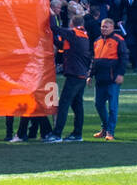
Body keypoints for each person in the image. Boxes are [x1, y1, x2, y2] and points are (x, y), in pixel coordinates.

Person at [46, 8, 92, 142]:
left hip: (74, 75)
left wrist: (52, 14)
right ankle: (77, 134)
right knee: (77, 105)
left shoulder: (73, 33)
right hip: (81, 75)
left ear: (72, 23)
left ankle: (57, 133)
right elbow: (62, 44)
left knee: (64, 104)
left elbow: (54, 27)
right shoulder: (84, 35)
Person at [91, 16, 128, 141]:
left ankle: (110, 132)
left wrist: (120, 74)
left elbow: (124, 58)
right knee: (98, 104)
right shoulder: (97, 41)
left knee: (112, 107)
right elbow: (94, 60)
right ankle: (105, 128)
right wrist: (90, 75)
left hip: (112, 79)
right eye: (102, 26)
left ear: (112, 27)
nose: (104, 29)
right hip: (100, 79)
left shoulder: (118, 40)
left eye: (106, 26)